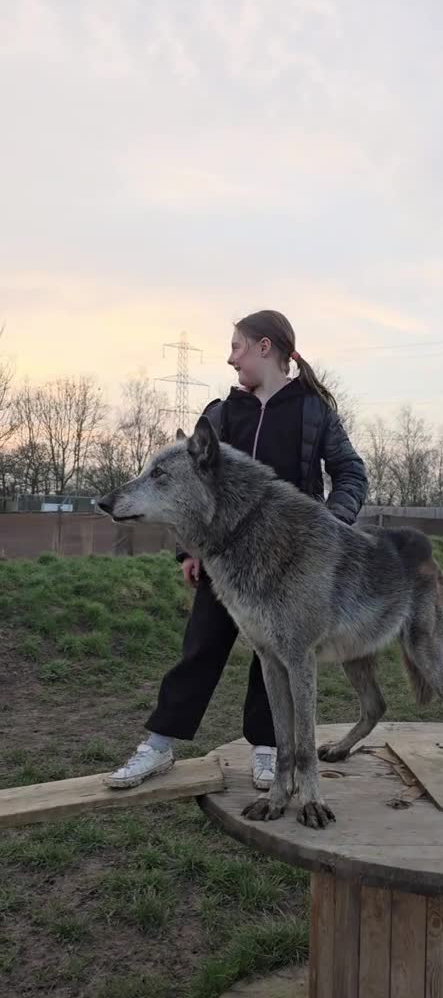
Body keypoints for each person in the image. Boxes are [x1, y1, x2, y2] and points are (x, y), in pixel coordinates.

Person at [105, 310, 368, 791]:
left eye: (236, 347)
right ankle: (159, 746)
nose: (230, 359)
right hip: (223, 559)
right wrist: (187, 550)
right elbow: (186, 489)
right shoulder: (221, 413)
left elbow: (351, 472)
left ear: (264, 347)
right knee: (200, 647)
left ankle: (268, 748)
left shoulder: (314, 412)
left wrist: (333, 524)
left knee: (277, 657)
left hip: (291, 564)